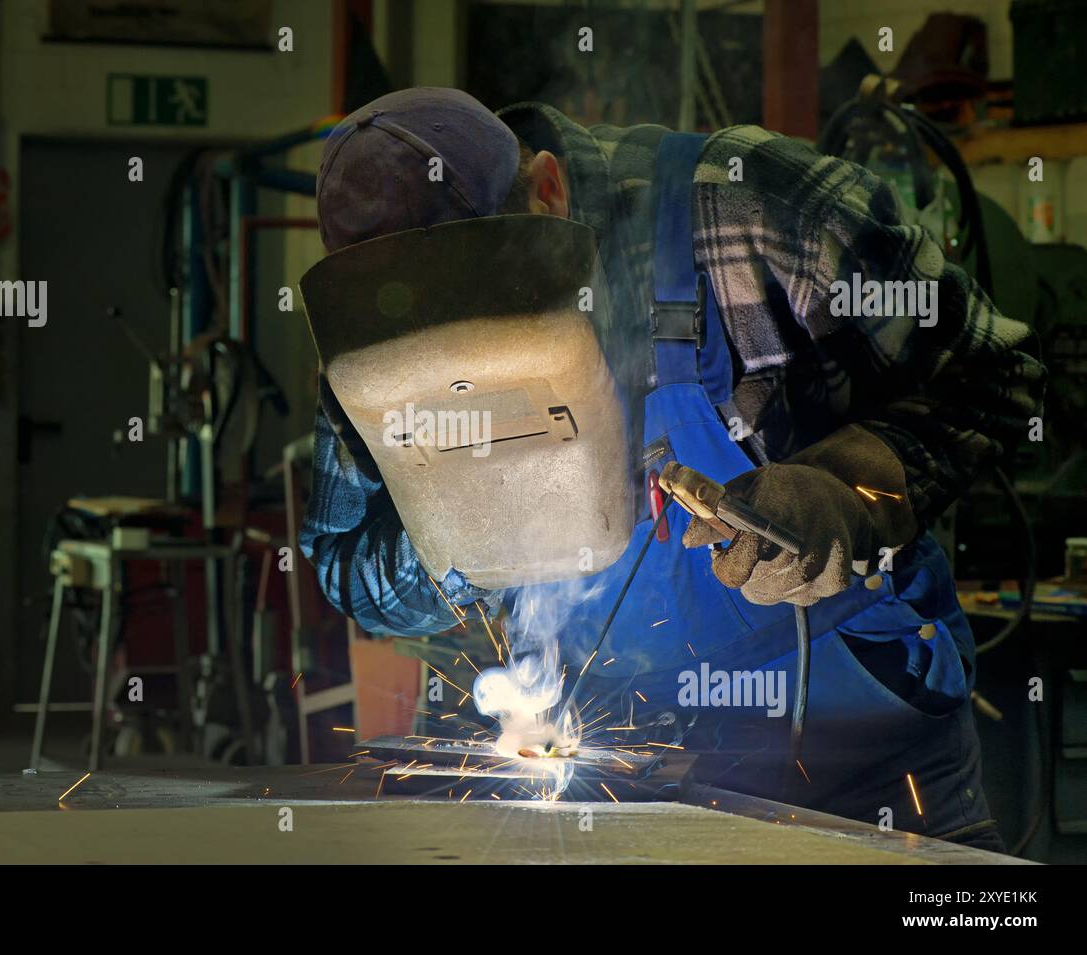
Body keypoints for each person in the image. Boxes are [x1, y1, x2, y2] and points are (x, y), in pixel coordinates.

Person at [300, 88, 1045, 851]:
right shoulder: (372, 335)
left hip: (858, 775)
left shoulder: (748, 204)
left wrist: (845, 489)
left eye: (494, 322)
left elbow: (995, 374)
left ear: (550, 194)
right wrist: (471, 538)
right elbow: (347, 573)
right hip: (611, 783)